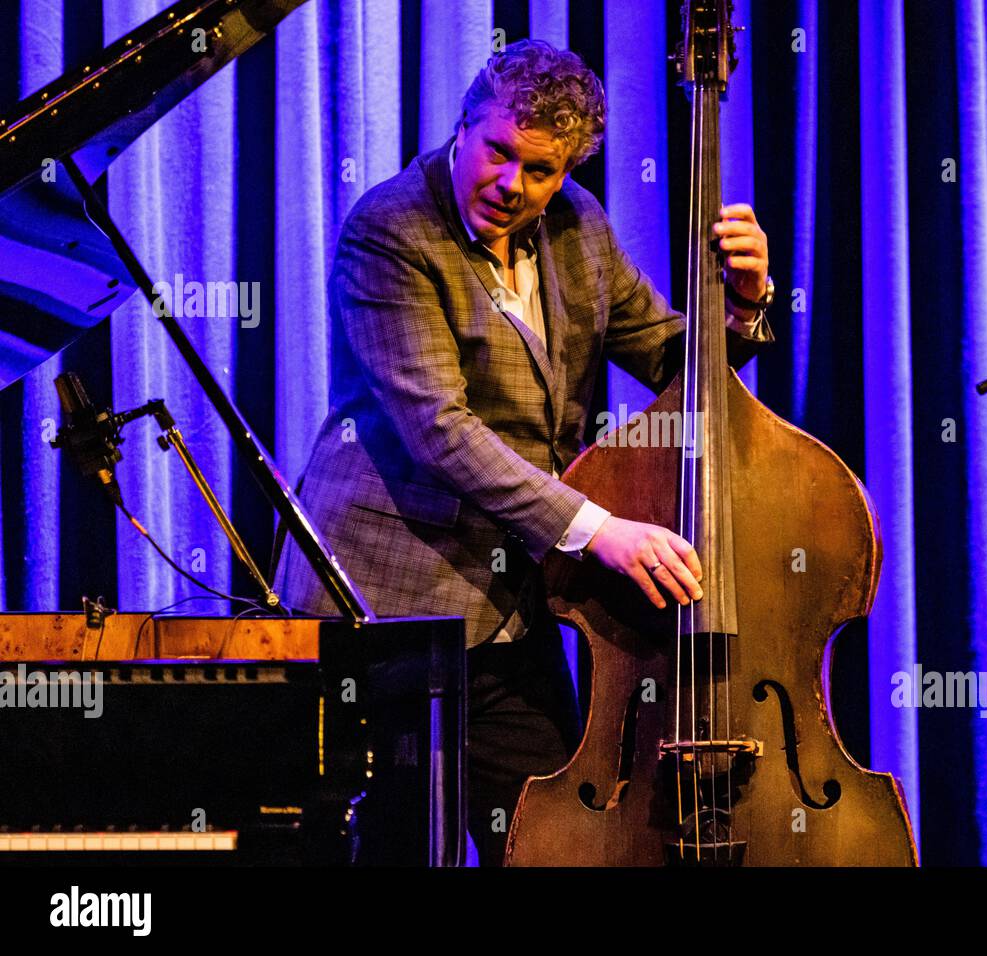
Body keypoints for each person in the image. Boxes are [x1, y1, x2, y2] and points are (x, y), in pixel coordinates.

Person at [274, 38, 774, 866]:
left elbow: (666, 358)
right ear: (464, 126)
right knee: (394, 848)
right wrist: (597, 529)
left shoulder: (577, 225)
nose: (511, 185)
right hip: (391, 606)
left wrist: (742, 308)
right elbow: (439, 428)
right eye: (498, 151)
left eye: (540, 170)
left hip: (516, 609)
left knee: (557, 843)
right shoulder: (391, 229)